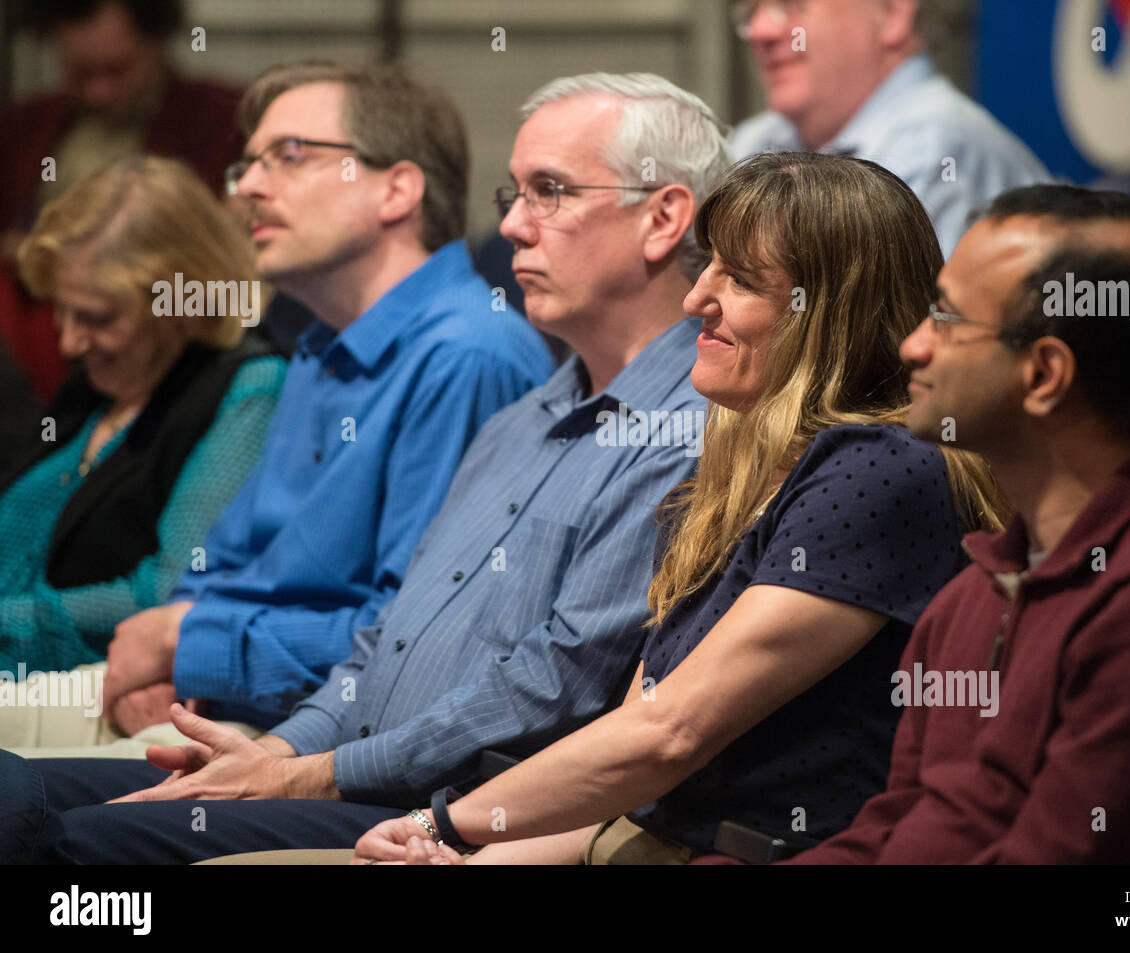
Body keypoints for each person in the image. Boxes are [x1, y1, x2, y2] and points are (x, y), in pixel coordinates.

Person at [0, 70, 728, 864]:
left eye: (549, 191)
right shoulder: (524, 417)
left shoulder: (678, 426)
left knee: (52, 841)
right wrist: (285, 751)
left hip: (454, 813)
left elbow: (552, 684)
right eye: (511, 195)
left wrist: (305, 762)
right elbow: (386, 637)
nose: (514, 225)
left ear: (663, 218)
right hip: (341, 759)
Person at [346, 152, 1009, 867]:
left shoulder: (881, 468)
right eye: (709, 264)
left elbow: (668, 735)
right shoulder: (722, 480)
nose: (697, 297)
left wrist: (446, 822)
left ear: (830, 314)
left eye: (743, 280)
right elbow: (628, 775)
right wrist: (465, 859)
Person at [695, 185, 1130, 864]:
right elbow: (890, 830)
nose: (913, 344)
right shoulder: (980, 585)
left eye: (947, 319)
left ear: (1044, 374)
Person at [0, 61, 552, 753]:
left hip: (321, 737)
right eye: (249, 163)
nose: (248, 187)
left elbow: (418, 635)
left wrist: (190, 643)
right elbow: (221, 560)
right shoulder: (320, 345)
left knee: (24, 800)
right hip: (222, 697)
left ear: (396, 189)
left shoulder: (468, 353)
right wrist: (177, 643)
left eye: (289, 156)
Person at [0, 156, 284, 680]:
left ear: (179, 299)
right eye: (61, 310)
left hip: (85, 688)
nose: (68, 341)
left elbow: (165, 592)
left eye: (97, 318)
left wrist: (9, 619)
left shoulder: (248, 388)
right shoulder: (95, 382)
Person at [0, 0, 244, 404]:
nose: (99, 89)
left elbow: (219, 262)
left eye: (117, 70)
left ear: (158, 42)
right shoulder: (24, 127)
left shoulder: (219, 121)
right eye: (80, 73)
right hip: (27, 328)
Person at [728, 0, 1047, 258]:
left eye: (792, 4)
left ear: (893, 14)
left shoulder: (936, 146)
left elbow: (874, 329)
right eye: (750, 10)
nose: (760, 30)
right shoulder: (757, 140)